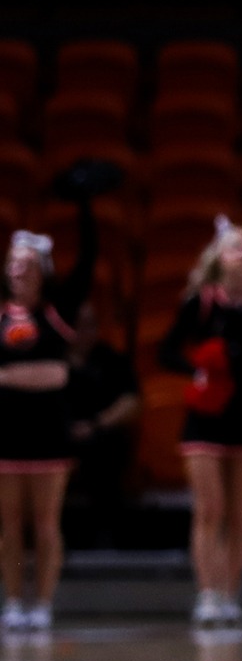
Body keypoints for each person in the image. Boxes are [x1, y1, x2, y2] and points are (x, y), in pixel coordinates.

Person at [158, 219, 242, 627]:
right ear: (217, 256)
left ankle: (230, 595)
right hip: (205, 418)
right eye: (232, 247)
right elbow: (166, 351)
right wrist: (198, 368)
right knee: (209, 508)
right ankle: (208, 594)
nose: (239, 253)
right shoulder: (200, 303)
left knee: (238, 512)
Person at [1, 194, 97, 632]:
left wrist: (86, 206)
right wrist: (38, 374)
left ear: (42, 269)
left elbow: (89, 260)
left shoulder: (58, 312)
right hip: (7, 426)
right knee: (9, 522)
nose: (18, 268)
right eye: (12, 261)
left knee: (45, 521)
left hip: (48, 426)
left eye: (26, 262)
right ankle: (12, 601)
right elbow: (48, 372)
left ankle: (42, 602)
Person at [64, 301, 139, 550]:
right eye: (78, 325)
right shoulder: (52, 359)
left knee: (108, 450)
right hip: (57, 438)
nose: (84, 331)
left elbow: (132, 400)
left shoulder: (111, 359)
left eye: (90, 325)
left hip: (100, 436)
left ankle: (107, 539)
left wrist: (96, 424)